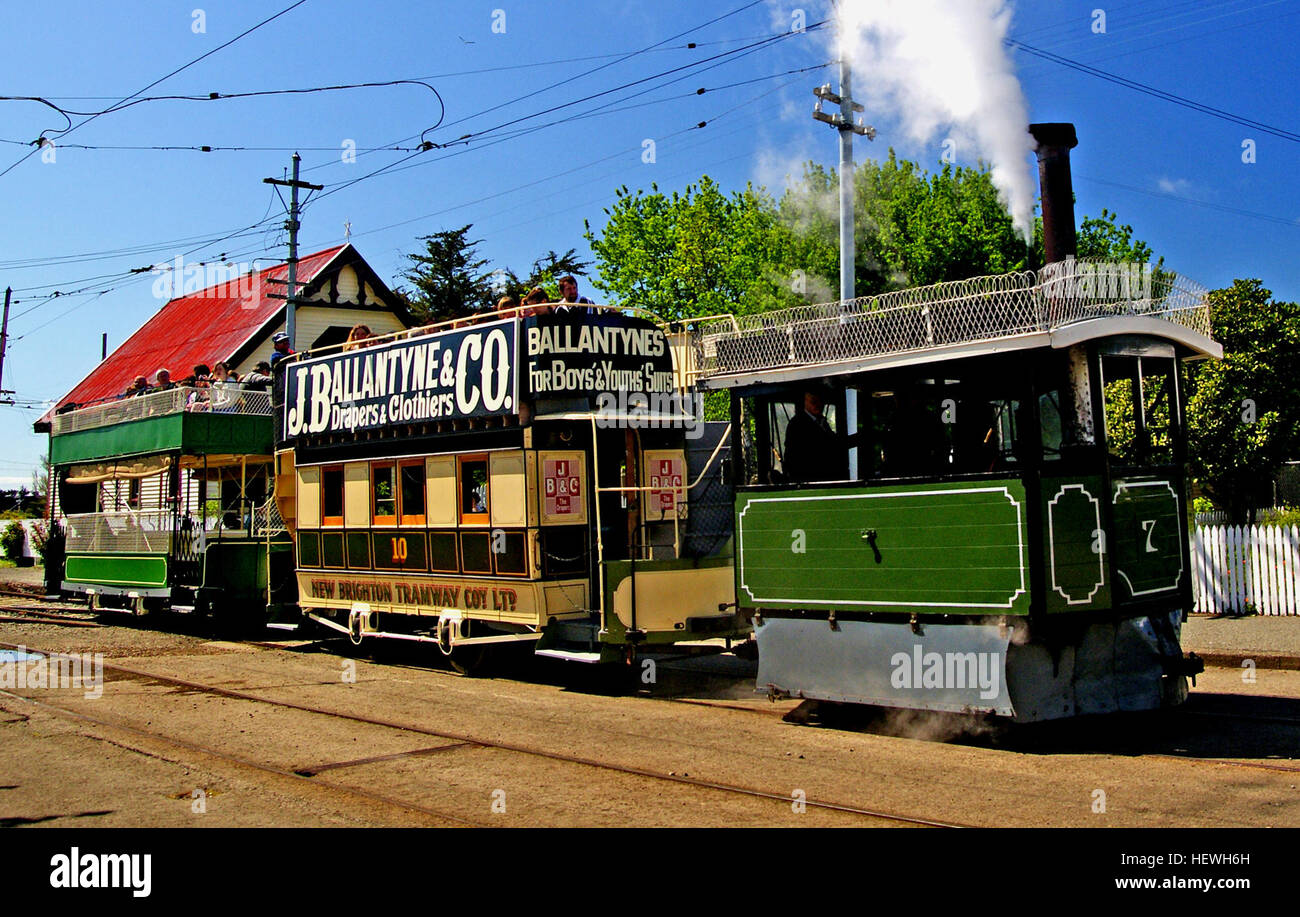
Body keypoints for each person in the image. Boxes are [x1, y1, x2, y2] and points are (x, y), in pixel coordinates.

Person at [782, 388, 844, 483]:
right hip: (811, 481)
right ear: (805, 402)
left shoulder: (822, 422)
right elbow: (795, 458)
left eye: (820, 401)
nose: (817, 404)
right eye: (813, 401)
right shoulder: (797, 424)